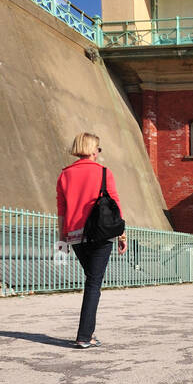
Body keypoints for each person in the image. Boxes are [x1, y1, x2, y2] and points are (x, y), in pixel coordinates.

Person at [56, 132, 126, 348]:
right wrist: (122, 234)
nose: (99, 152)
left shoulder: (64, 175)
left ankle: (87, 333)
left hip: (75, 236)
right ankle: (85, 336)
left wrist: (62, 238)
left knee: (91, 280)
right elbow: (114, 204)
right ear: (93, 150)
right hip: (101, 234)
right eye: (99, 148)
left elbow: (61, 210)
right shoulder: (104, 173)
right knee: (93, 283)